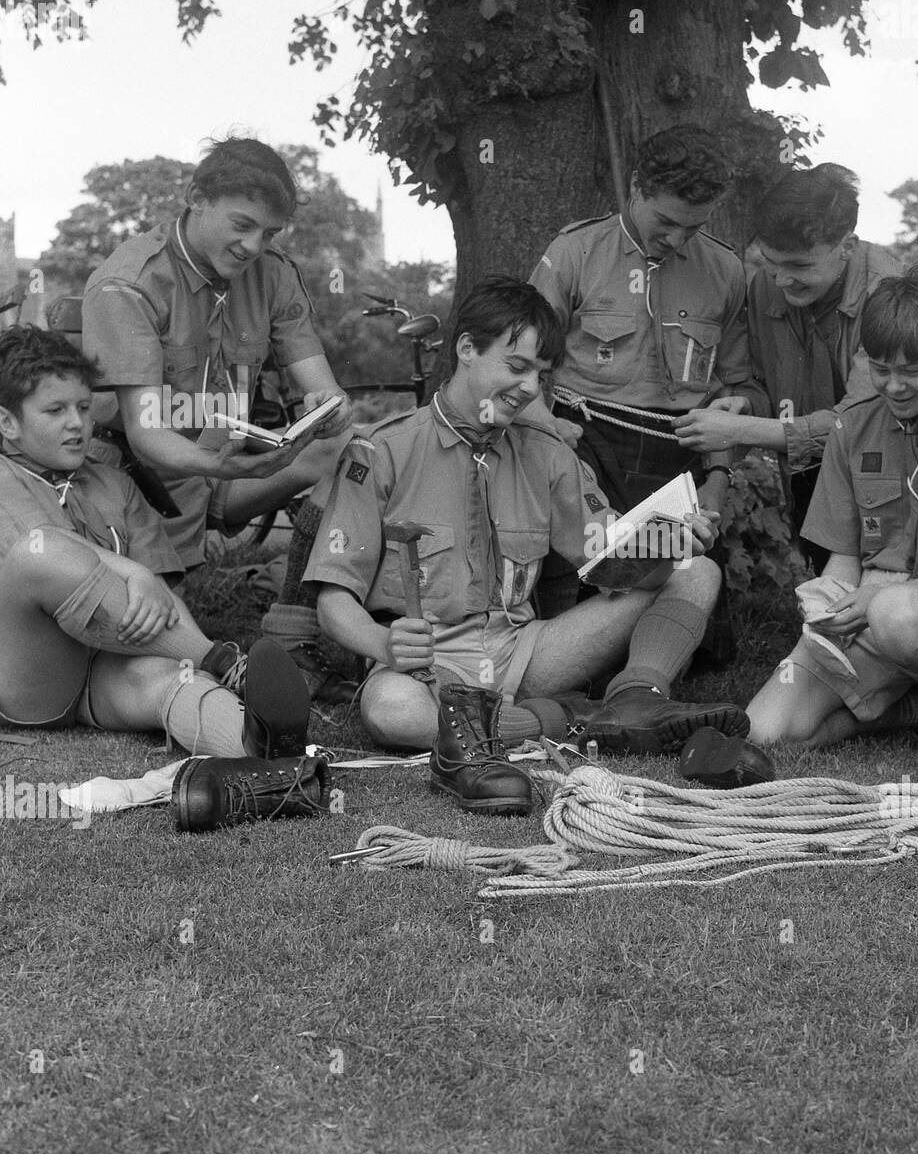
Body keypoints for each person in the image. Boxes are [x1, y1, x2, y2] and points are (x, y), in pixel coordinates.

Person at [305, 278, 748, 807]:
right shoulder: (382, 452)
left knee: (697, 573)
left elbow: (611, 563)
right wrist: (383, 646)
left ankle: (636, 700)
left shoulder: (547, 454)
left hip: (527, 653)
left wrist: (670, 542)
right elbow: (333, 600)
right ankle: (571, 720)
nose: (532, 389)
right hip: (427, 671)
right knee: (390, 711)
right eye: (517, 368)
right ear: (467, 349)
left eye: (541, 374)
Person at [81, 136, 357, 702]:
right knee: (142, 619)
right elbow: (147, 433)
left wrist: (327, 411)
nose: (254, 245)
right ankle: (212, 659)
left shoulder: (275, 274)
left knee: (353, 449)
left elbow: (321, 385)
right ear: (195, 198)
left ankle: (295, 630)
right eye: (243, 224)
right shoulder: (130, 282)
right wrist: (229, 467)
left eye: (271, 234)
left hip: (221, 465)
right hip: (132, 475)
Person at [0, 326, 309, 759]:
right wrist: (133, 571)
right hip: (31, 678)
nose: (77, 423)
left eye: (85, 407)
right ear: (7, 422)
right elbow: (45, 556)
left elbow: (164, 598)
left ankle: (268, 755)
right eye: (55, 410)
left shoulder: (113, 483)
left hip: (105, 670)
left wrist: (156, 588)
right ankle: (224, 664)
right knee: (42, 551)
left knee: (175, 678)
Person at [527, 124, 760, 649]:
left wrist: (716, 482)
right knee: (586, 622)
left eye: (693, 228)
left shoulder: (725, 270)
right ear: (635, 187)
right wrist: (548, 440)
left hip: (680, 456)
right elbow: (524, 361)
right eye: (666, 221)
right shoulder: (574, 253)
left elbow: (735, 389)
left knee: (703, 647)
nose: (677, 240)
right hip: (585, 449)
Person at [746, 265, 918, 752]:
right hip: (874, 611)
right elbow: (844, 555)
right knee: (765, 730)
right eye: (880, 369)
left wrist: (879, 600)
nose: (894, 386)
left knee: (896, 613)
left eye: (911, 370)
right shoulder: (850, 429)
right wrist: (830, 604)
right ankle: (900, 710)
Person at [673, 163, 903, 569]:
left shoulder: (887, 292)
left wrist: (742, 429)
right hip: (807, 480)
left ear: (847, 246)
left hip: (887, 484)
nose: (780, 280)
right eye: (770, 261)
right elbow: (760, 382)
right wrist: (745, 405)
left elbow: (860, 423)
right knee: (821, 596)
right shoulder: (765, 285)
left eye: (799, 267)